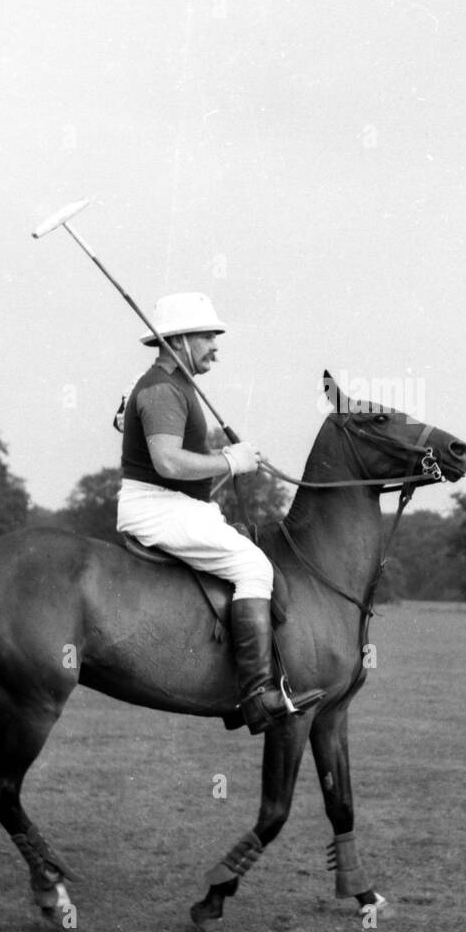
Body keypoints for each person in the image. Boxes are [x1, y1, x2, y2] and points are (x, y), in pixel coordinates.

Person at [114, 292, 321, 734]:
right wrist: (231, 461)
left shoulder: (162, 384)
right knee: (254, 568)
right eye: (208, 335)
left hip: (178, 505)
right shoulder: (163, 389)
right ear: (181, 339)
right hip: (159, 509)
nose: (215, 345)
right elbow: (168, 462)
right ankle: (257, 696)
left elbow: (131, 420)